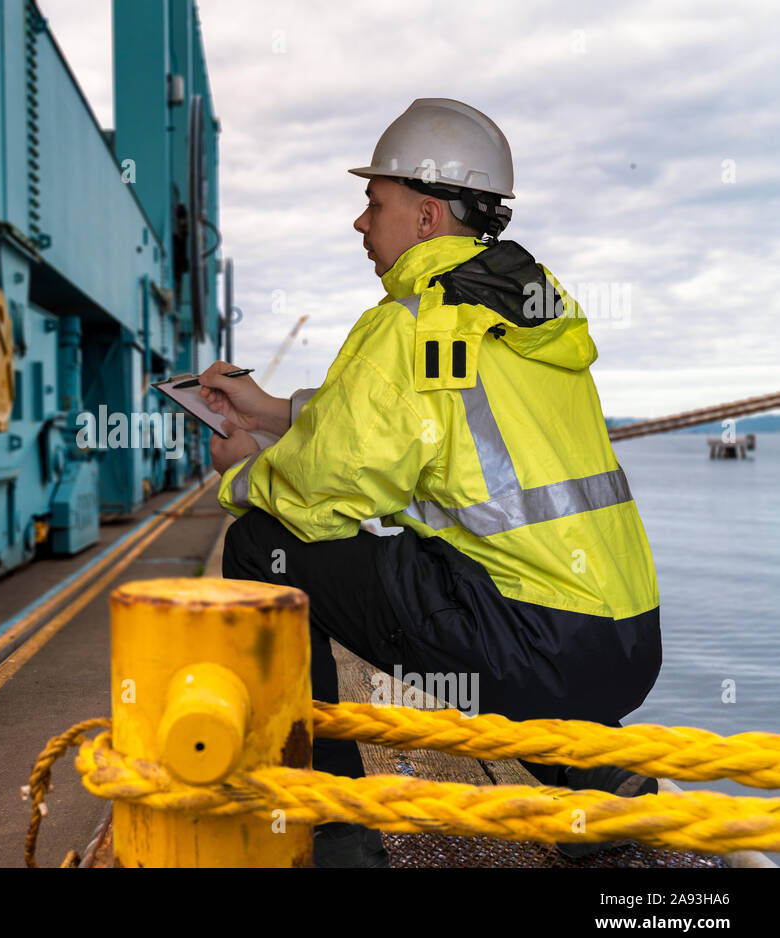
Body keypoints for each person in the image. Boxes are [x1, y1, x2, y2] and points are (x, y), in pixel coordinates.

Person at [202, 99, 662, 868]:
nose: (359, 223)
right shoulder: (526, 317)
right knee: (452, 568)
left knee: (263, 545)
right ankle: (596, 771)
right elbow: (406, 416)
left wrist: (243, 474)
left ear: (423, 216)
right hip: (621, 648)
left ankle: (336, 828)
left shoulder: (411, 322)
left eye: (372, 203)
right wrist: (277, 409)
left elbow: (326, 493)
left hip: (530, 646)